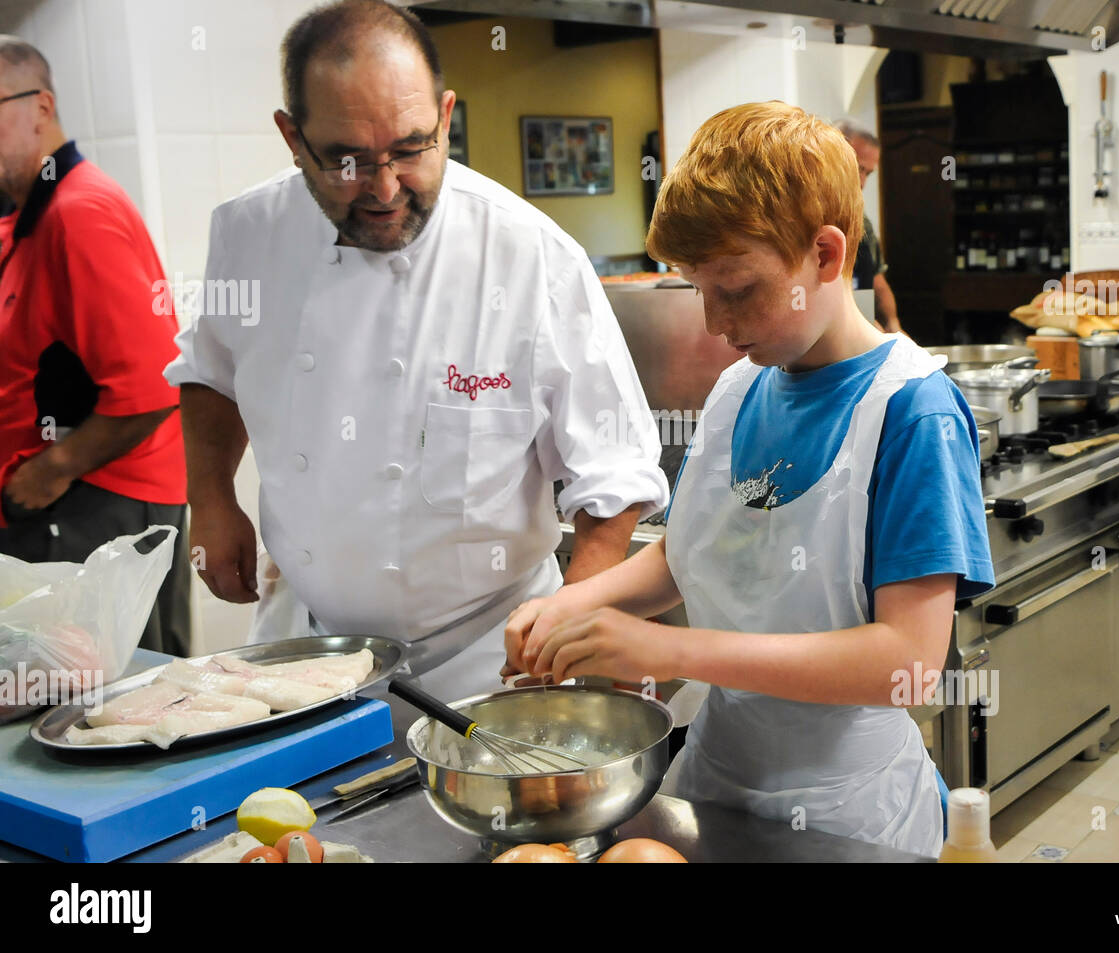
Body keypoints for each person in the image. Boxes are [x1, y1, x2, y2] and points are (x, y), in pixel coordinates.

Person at [504, 102, 994, 857]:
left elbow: (908, 663)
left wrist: (667, 652)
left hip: (847, 815)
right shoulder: (740, 389)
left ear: (826, 257)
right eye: (699, 288)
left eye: (735, 288)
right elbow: (685, 555)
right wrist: (571, 604)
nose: (712, 320)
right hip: (714, 791)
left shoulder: (911, 413)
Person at [164, 0, 667, 698]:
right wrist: (211, 496)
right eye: (349, 160)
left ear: (446, 114)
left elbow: (614, 479)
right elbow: (210, 372)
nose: (385, 187)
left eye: (411, 147)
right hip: (305, 649)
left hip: (488, 654)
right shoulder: (248, 235)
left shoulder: (530, 256)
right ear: (291, 136)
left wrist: (565, 630)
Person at [0, 37, 191, 656]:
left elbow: (154, 386)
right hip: (62, 506)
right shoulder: (30, 216)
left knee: (115, 712)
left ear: (41, 105)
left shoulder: (78, 213)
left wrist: (51, 471)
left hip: (93, 505)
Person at [834, 119, 901, 334]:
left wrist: (893, 325)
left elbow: (877, 282)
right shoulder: (803, 219)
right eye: (859, 168)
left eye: (868, 173)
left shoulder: (862, 223)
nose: (862, 182)